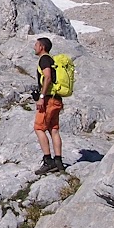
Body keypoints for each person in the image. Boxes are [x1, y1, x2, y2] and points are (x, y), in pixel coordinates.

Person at [33, 36, 66, 174]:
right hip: (56, 99)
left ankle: (48, 161)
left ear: (42, 47)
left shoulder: (44, 59)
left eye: (36, 45)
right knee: (54, 129)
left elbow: (47, 77)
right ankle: (58, 161)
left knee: (39, 128)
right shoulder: (52, 60)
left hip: (48, 100)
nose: (34, 47)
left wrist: (41, 96)